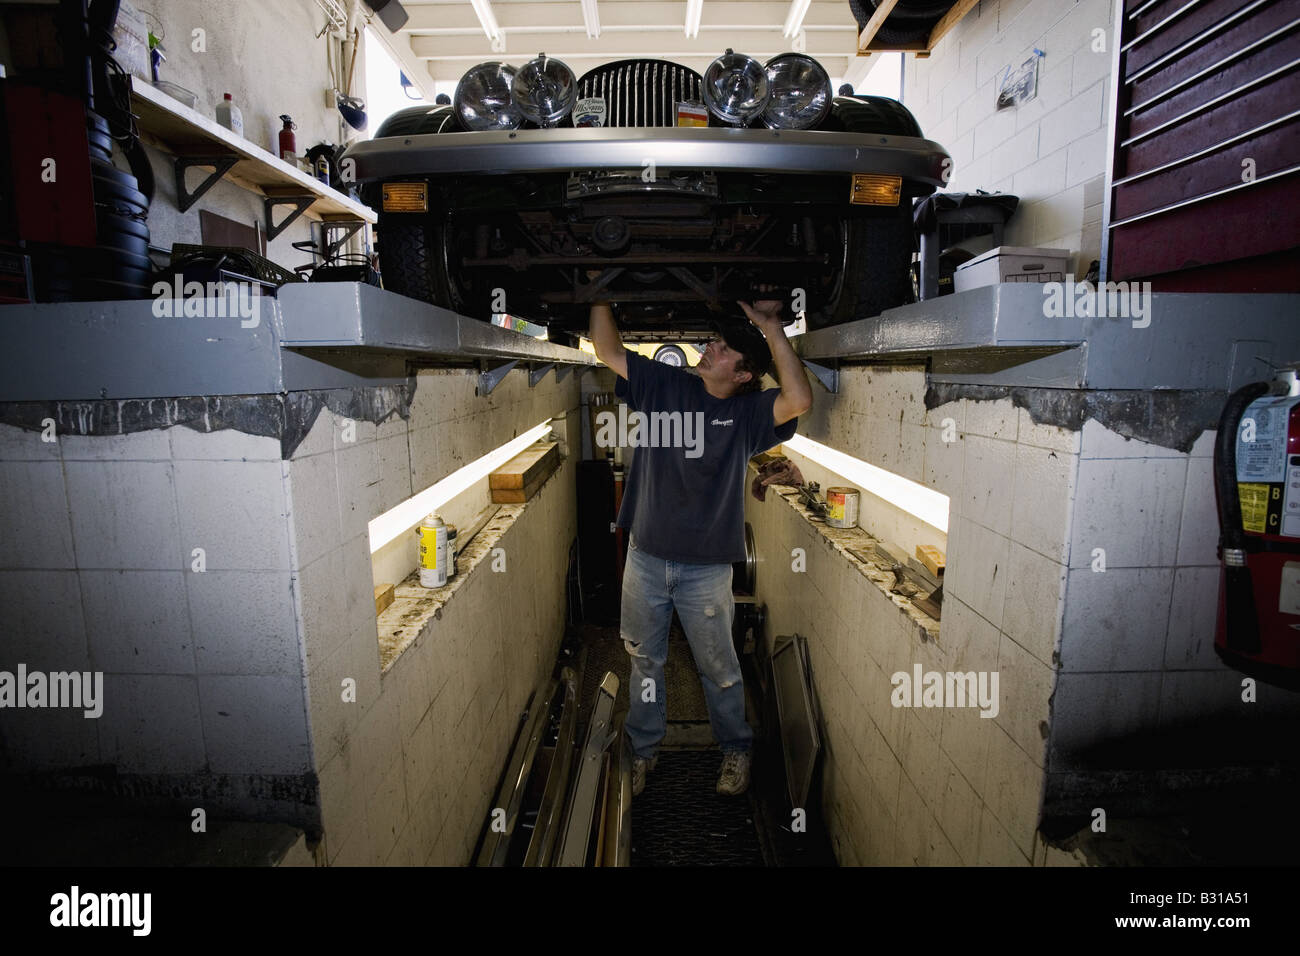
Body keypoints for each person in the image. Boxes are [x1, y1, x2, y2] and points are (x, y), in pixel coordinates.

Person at [587, 294, 813, 798]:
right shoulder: (668, 383)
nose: (711, 347)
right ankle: (644, 752)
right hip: (645, 559)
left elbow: (798, 400)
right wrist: (598, 288)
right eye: (715, 340)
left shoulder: (751, 414)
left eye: (726, 348)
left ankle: (735, 750)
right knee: (645, 662)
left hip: (706, 571)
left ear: (744, 375)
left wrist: (771, 328)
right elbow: (606, 349)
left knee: (719, 668)